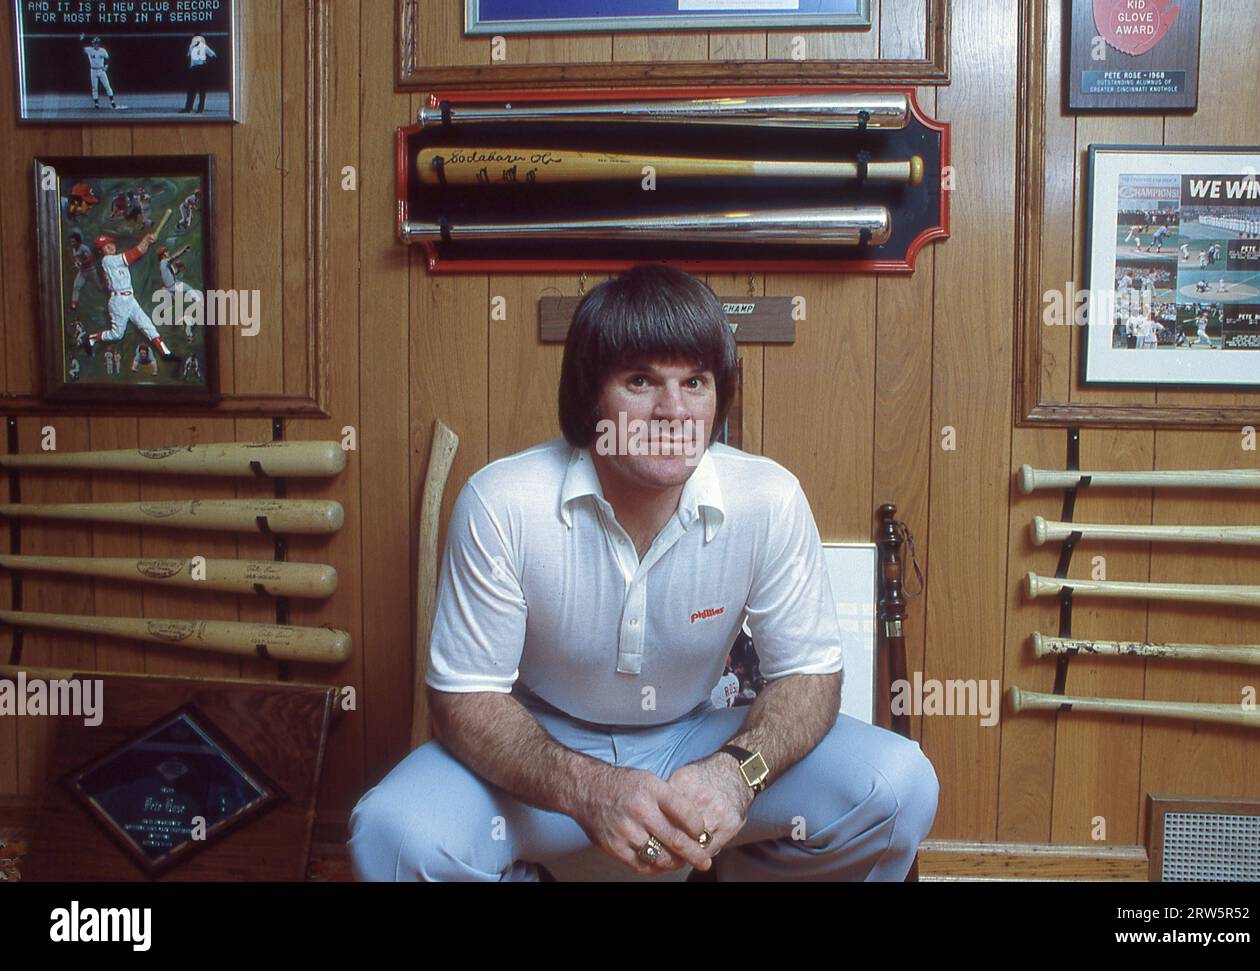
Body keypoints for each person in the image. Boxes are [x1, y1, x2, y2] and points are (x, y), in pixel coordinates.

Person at [348, 265, 939, 882]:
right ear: (588, 398)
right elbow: (463, 698)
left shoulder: (769, 497)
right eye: (640, 381)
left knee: (899, 785)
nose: (673, 412)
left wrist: (737, 772)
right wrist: (588, 789)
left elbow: (809, 677)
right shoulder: (502, 500)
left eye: (696, 382)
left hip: (696, 742)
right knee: (392, 834)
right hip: (538, 761)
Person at [82, 233, 173, 361]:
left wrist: (147, 242)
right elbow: (135, 253)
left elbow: (138, 252)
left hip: (129, 299)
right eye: (104, 246)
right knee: (117, 335)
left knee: (148, 325)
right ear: (100, 251)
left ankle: (166, 354)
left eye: (110, 243)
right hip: (118, 301)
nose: (109, 246)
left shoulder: (116, 259)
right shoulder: (108, 260)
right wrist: (146, 240)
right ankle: (92, 338)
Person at [80, 35, 121, 110]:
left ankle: (112, 102)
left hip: (101, 70)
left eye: (96, 43)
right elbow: (82, 47)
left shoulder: (102, 50)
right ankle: (96, 104)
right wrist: (81, 39)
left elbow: (108, 58)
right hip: (93, 70)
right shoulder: (90, 50)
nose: (95, 44)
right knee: (95, 88)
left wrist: (106, 65)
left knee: (107, 86)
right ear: (92, 44)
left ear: (99, 43)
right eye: (94, 43)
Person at [182, 35, 218, 114]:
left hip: (201, 69)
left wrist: (206, 64)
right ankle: (189, 108)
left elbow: (213, 55)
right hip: (195, 69)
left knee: (201, 90)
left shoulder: (202, 46)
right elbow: (213, 55)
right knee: (192, 90)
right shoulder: (192, 46)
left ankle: (199, 108)